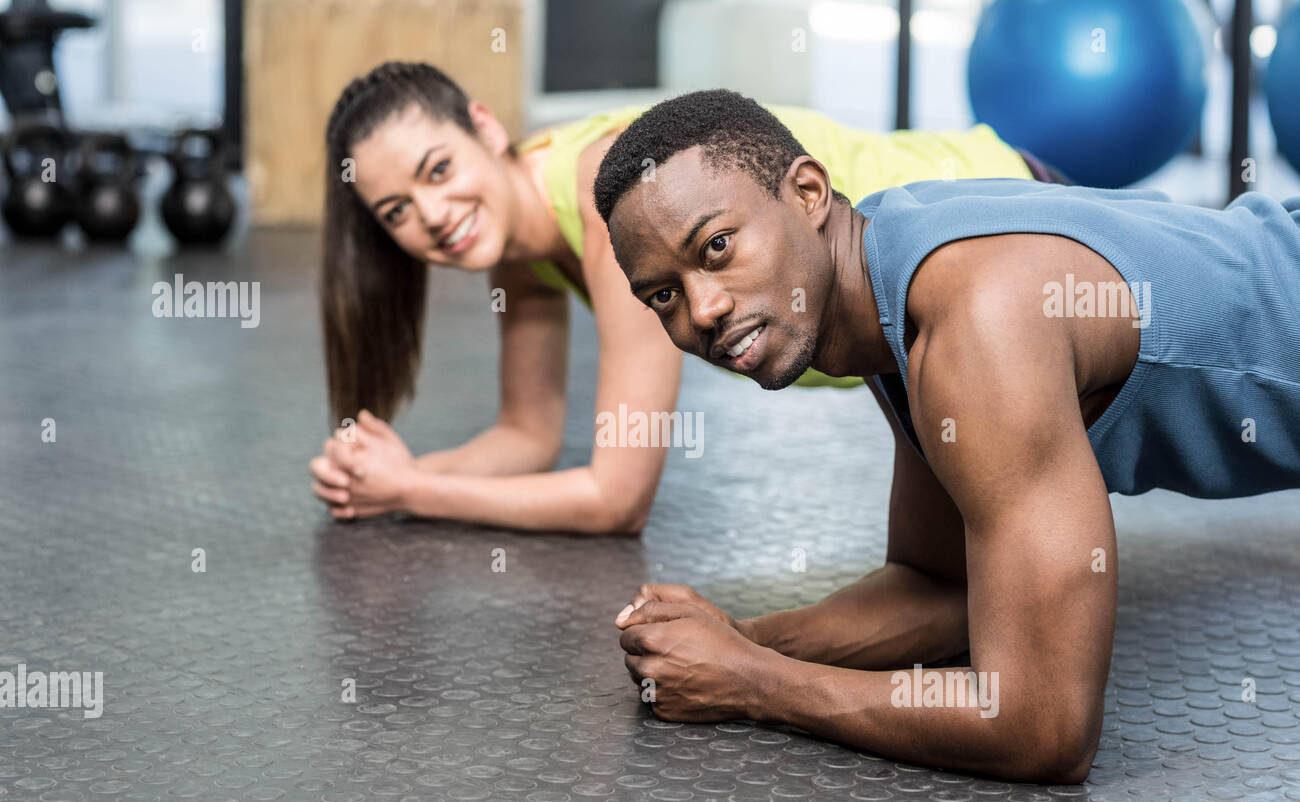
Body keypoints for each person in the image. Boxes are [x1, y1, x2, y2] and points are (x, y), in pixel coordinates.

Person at [593, 89, 1300, 783]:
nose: (704, 309)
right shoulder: (882, 279)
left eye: (717, 246)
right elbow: (938, 590)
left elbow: (1043, 725)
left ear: (808, 193)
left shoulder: (980, 323)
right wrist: (739, 638)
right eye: (664, 294)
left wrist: (755, 682)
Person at [309, 61, 1051, 532]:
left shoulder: (605, 205)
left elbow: (615, 497)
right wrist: (395, 473)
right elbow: (527, 437)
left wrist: (412, 492)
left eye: (438, 170)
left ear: (484, 127)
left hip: (1006, 226)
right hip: (917, 325)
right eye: (397, 211)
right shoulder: (518, 241)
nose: (433, 215)